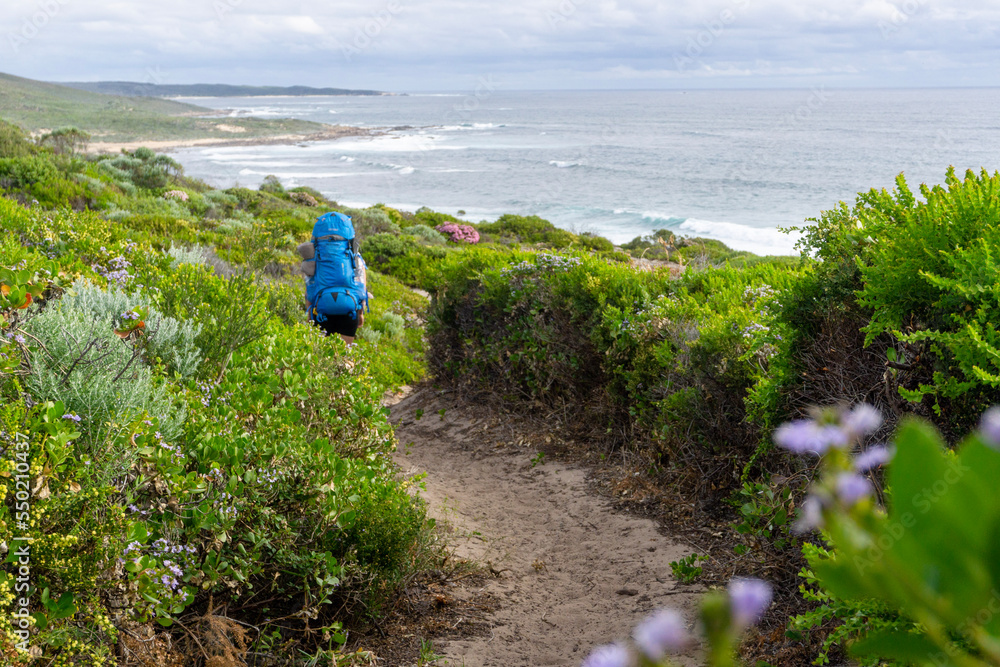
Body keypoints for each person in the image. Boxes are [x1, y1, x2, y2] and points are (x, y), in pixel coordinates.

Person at [313, 253, 368, 345]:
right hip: (349, 309)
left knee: (320, 353)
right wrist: (361, 312)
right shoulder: (355, 254)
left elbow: (310, 284)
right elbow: (362, 288)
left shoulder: (317, 252)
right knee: (343, 353)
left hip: (322, 308)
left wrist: (309, 312)